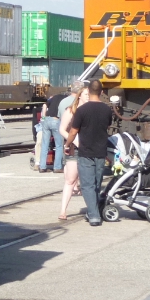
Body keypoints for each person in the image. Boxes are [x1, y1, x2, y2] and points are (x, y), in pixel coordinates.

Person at [66, 79, 113, 227]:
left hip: (85, 151)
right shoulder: (107, 110)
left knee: (87, 185)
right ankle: (95, 210)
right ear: (101, 92)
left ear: (89, 91)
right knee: (96, 184)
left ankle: (94, 216)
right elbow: (108, 126)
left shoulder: (82, 110)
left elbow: (73, 131)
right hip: (101, 151)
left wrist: (67, 144)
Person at [58, 84, 87, 220]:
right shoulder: (70, 111)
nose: (88, 97)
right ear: (80, 95)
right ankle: (63, 211)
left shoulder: (90, 110)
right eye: (86, 94)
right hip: (75, 149)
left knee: (89, 181)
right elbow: (62, 129)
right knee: (70, 180)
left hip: (89, 149)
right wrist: (74, 141)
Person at [37, 90, 69, 173]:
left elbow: (44, 105)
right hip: (56, 120)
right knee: (59, 145)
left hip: (46, 120)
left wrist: (43, 119)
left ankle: (42, 167)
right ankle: (57, 167)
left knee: (44, 145)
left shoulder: (53, 98)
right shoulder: (65, 99)